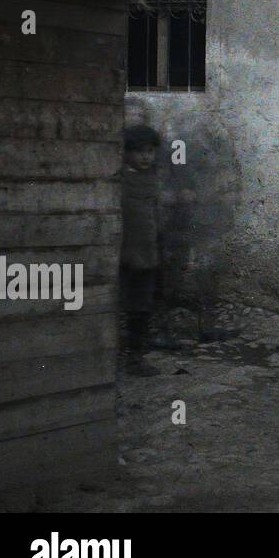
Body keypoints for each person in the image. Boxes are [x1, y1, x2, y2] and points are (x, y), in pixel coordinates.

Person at [121, 122, 162, 376]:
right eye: (139, 151)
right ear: (127, 153)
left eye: (150, 151)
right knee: (124, 306)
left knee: (141, 308)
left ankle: (136, 358)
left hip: (147, 254)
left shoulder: (152, 180)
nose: (146, 156)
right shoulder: (120, 181)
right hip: (125, 255)